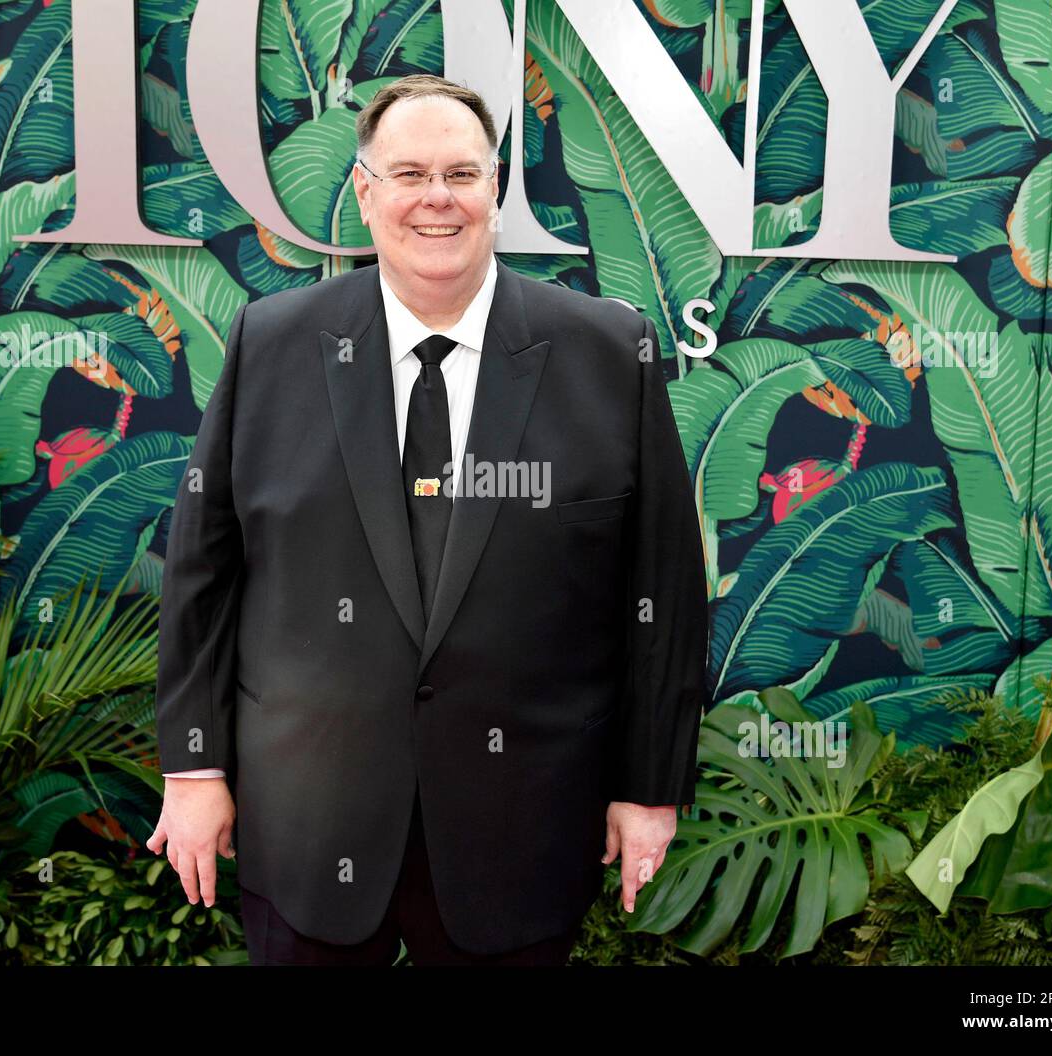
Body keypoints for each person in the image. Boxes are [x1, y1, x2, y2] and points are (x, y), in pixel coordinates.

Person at [147, 74, 707, 966]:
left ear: (497, 189)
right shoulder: (272, 341)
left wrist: (649, 789)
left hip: (521, 831)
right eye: (408, 174)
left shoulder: (608, 350)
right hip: (307, 821)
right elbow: (202, 575)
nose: (436, 199)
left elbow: (663, 592)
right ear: (366, 193)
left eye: (461, 172)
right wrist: (194, 766)